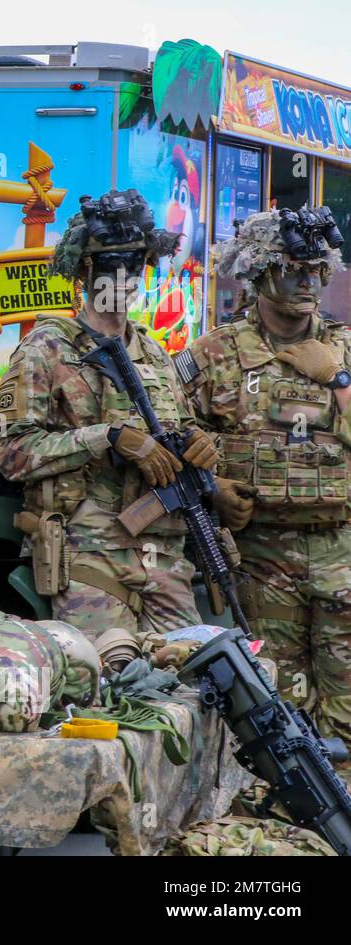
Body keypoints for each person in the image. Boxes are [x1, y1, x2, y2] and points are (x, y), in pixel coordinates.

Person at [0, 189, 218, 639]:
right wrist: (106, 437)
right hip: (90, 555)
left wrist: (200, 444)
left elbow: (184, 424)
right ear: (85, 270)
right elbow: (12, 451)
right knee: (106, 681)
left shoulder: (153, 352)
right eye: (112, 265)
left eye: (134, 265)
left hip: (163, 555)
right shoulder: (47, 348)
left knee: (188, 676)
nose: (125, 277)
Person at [179, 206, 351, 771]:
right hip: (260, 558)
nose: (307, 282)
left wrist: (338, 380)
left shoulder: (344, 350)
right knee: (278, 703)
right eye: (293, 269)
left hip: (341, 551)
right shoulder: (213, 354)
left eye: (316, 270)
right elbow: (173, 441)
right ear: (258, 273)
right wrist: (213, 488)